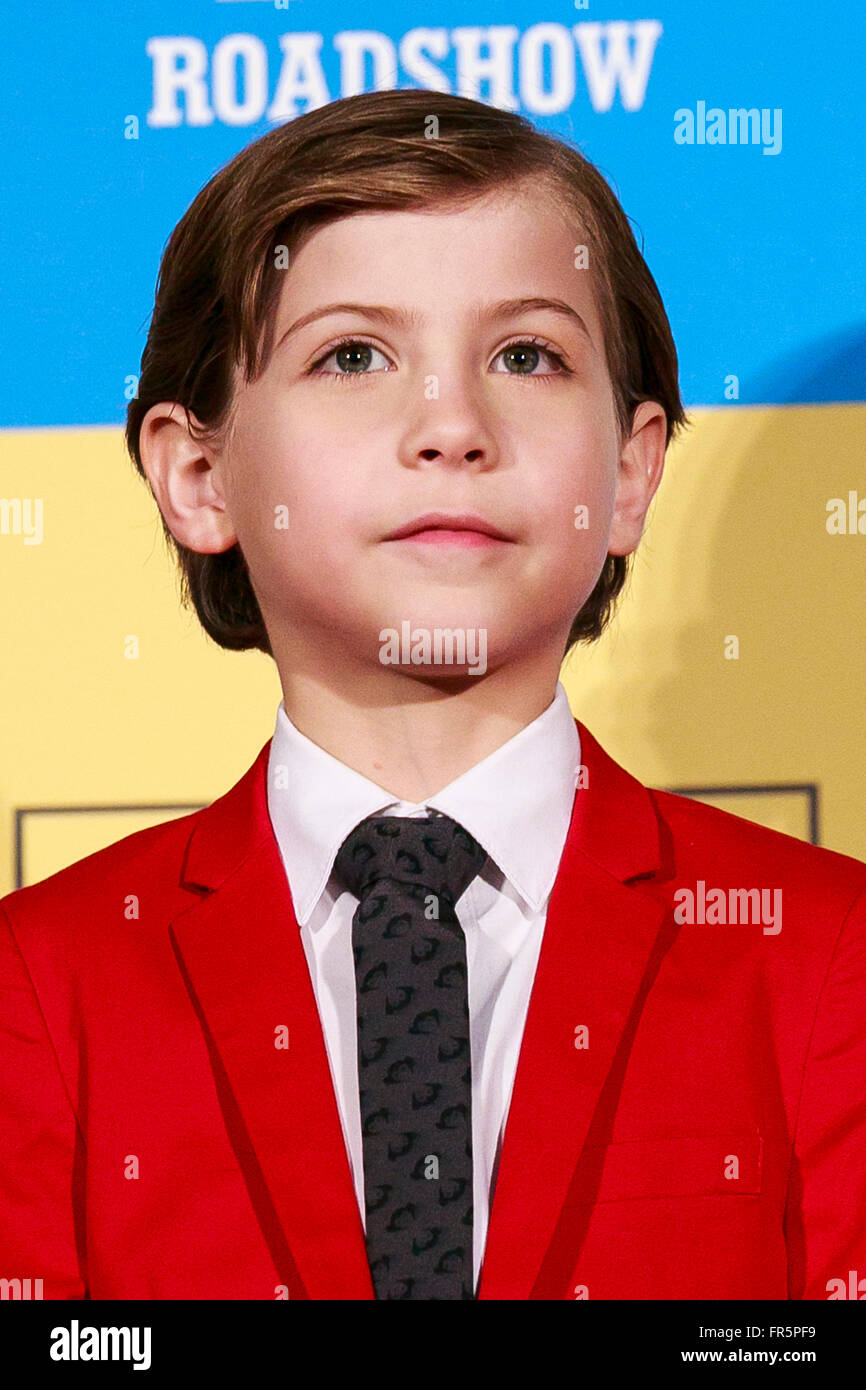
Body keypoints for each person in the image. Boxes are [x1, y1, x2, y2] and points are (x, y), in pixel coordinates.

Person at [2, 88, 864, 1301]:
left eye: (527, 354)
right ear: (199, 475)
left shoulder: (829, 959)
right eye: (352, 355)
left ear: (627, 472)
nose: (452, 424)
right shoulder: (37, 992)